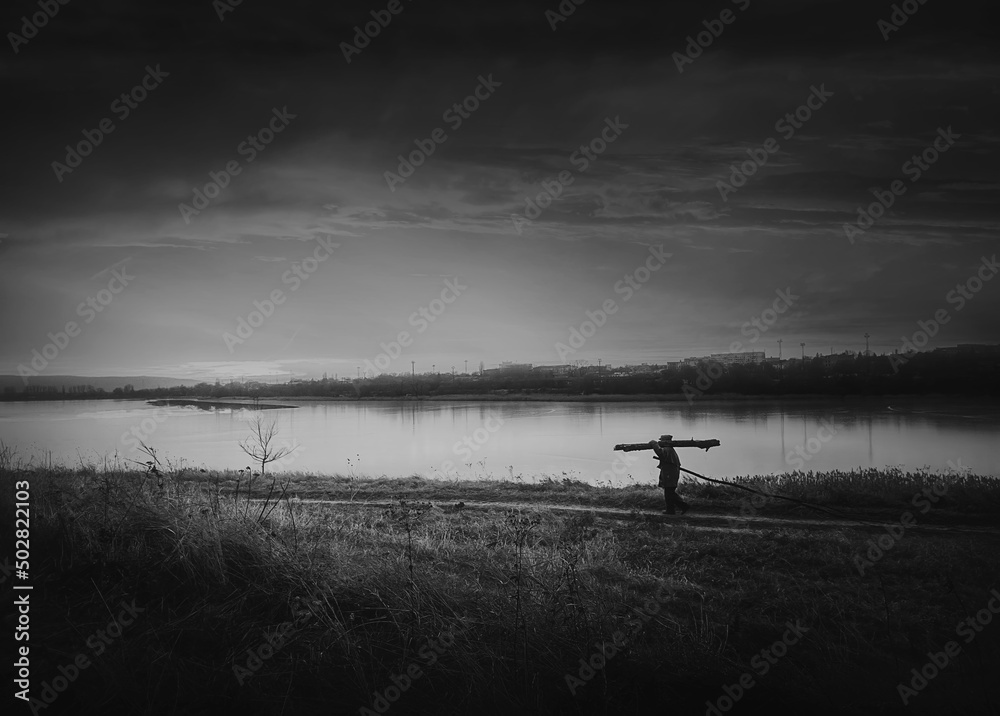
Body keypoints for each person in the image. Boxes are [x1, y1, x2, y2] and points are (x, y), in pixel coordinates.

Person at [650, 435, 689, 515]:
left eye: (661, 441)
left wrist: (654, 444)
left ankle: (682, 506)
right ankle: (671, 510)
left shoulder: (667, 449)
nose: (660, 442)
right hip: (670, 473)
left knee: (669, 493)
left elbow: (660, 453)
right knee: (669, 493)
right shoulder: (670, 450)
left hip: (669, 474)